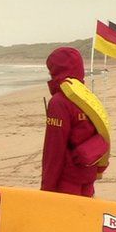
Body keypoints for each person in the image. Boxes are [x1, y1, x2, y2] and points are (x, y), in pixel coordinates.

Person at [41, 46, 109, 198]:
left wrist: (46, 189)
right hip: (88, 173)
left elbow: (54, 150)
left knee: (66, 220)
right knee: (84, 217)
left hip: (67, 179)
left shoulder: (59, 102)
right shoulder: (87, 97)